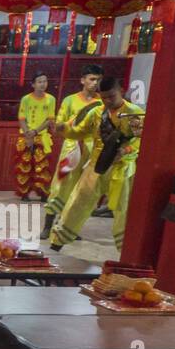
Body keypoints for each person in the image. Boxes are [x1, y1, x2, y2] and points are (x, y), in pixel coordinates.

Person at [46, 76, 142, 252]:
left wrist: (124, 151)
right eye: (103, 97)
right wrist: (63, 130)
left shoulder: (134, 112)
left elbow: (139, 141)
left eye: (111, 96)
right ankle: (57, 243)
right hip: (96, 165)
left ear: (121, 91)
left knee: (123, 210)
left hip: (122, 168)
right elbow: (79, 132)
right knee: (78, 202)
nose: (107, 101)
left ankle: (126, 251)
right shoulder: (96, 112)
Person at [40, 64, 103, 241]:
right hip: (72, 147)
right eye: (92, 79)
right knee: (60, 185)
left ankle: (67, 227)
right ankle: (47, 226)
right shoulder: (70, 101)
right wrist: (72, 123)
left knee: (82, 190)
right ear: (82, 80)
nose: (95, 83)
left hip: (92, 149)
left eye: (98, 80)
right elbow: (60, 125)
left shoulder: (102, 102)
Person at [15, 73, 56, 201]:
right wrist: (28, 133)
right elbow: (21, 118)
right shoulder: (26, 99)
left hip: (41, 135)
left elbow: (50, 119)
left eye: (45, 81)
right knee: (24, 164)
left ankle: (43, 192)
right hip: (26, 135)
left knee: (42, 165)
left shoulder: (51, 99)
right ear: (33, 84)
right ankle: (24, 193)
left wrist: (35, 132)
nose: (43, 84)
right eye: (39, 81)